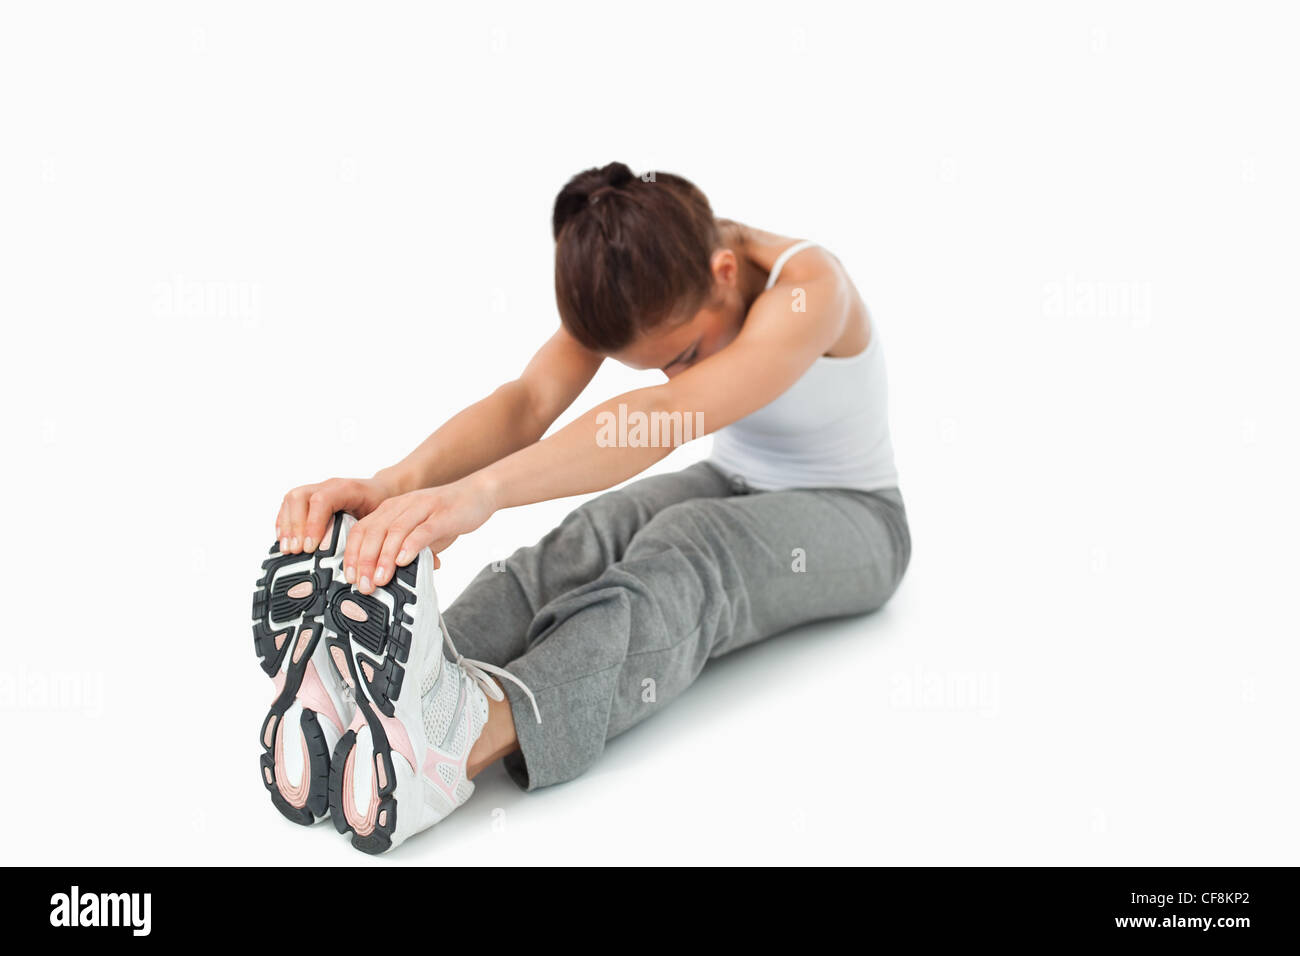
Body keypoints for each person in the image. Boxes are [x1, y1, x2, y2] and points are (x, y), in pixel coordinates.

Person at [250, 162, 911, 853]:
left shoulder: (811, 289)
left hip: (859, 520)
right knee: (594, 533)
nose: (676, 370)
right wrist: (396, 484)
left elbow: (666, 413)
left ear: (723, 273)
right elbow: (531, 400)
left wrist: (480, 495)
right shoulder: (637, 275)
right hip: (738, 476)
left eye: (684, 351)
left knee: (691, 548)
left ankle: (465, 737)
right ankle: (383, 693)